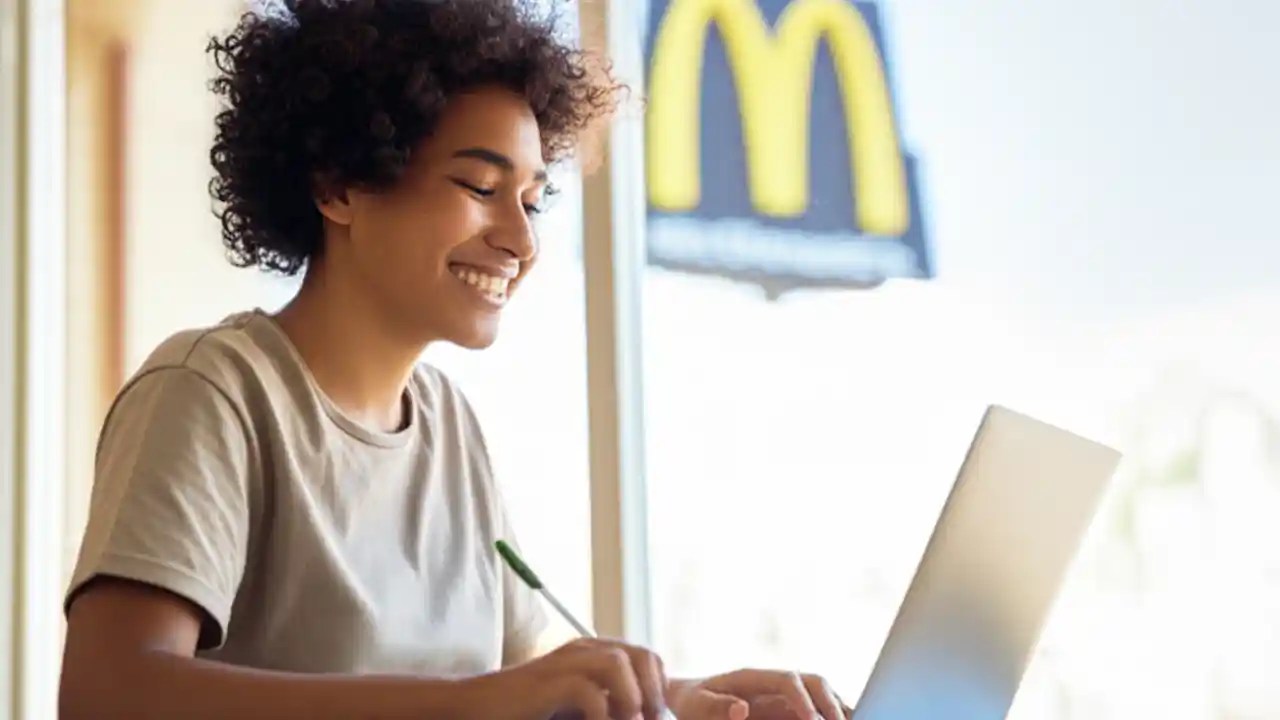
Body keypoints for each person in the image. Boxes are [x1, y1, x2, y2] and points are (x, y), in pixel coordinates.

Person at [58, 1, 850, 718]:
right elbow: (108, 694)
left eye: (534, 200)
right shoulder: (214, 393)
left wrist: (689, 699)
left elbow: (532, 683)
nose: (523, 239)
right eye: (479, 185)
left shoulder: (449, 430)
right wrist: (472, 706)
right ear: (338, 187)